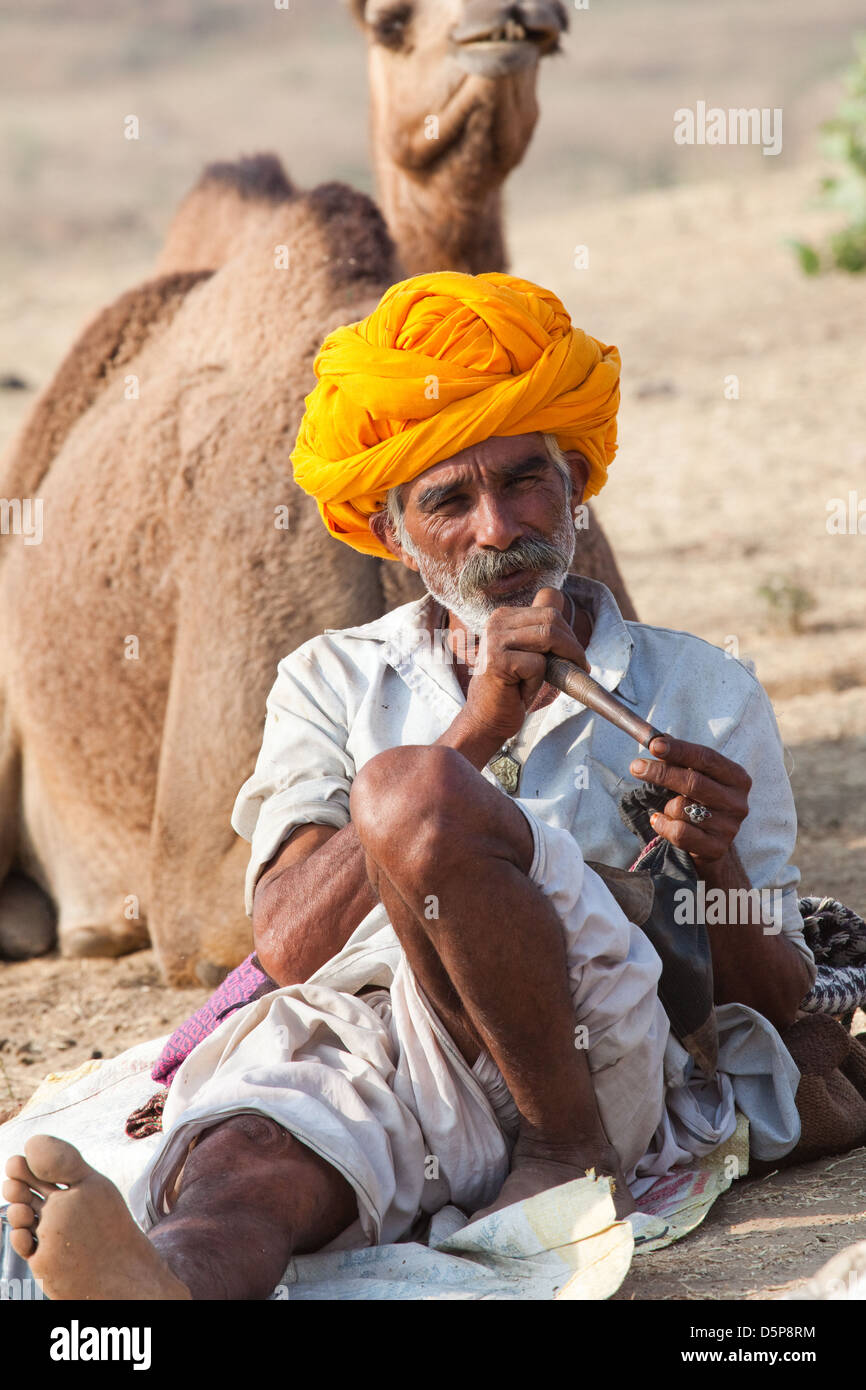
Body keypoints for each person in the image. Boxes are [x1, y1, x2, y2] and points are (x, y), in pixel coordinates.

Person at [2, 272, 814, 1301]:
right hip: (377, 1043)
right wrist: (473, 730)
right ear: (391, 534)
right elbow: (291, 950)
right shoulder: (327, 683)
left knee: (408, 798)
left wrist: (717, 860)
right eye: (447, 500)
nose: (494, 529)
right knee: (244, 1163)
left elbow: (776, 1002)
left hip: (598, 1048)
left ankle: (566, 1155)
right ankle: (162, 1288)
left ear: (574, 489)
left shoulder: (699, 690)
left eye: (524, 482)